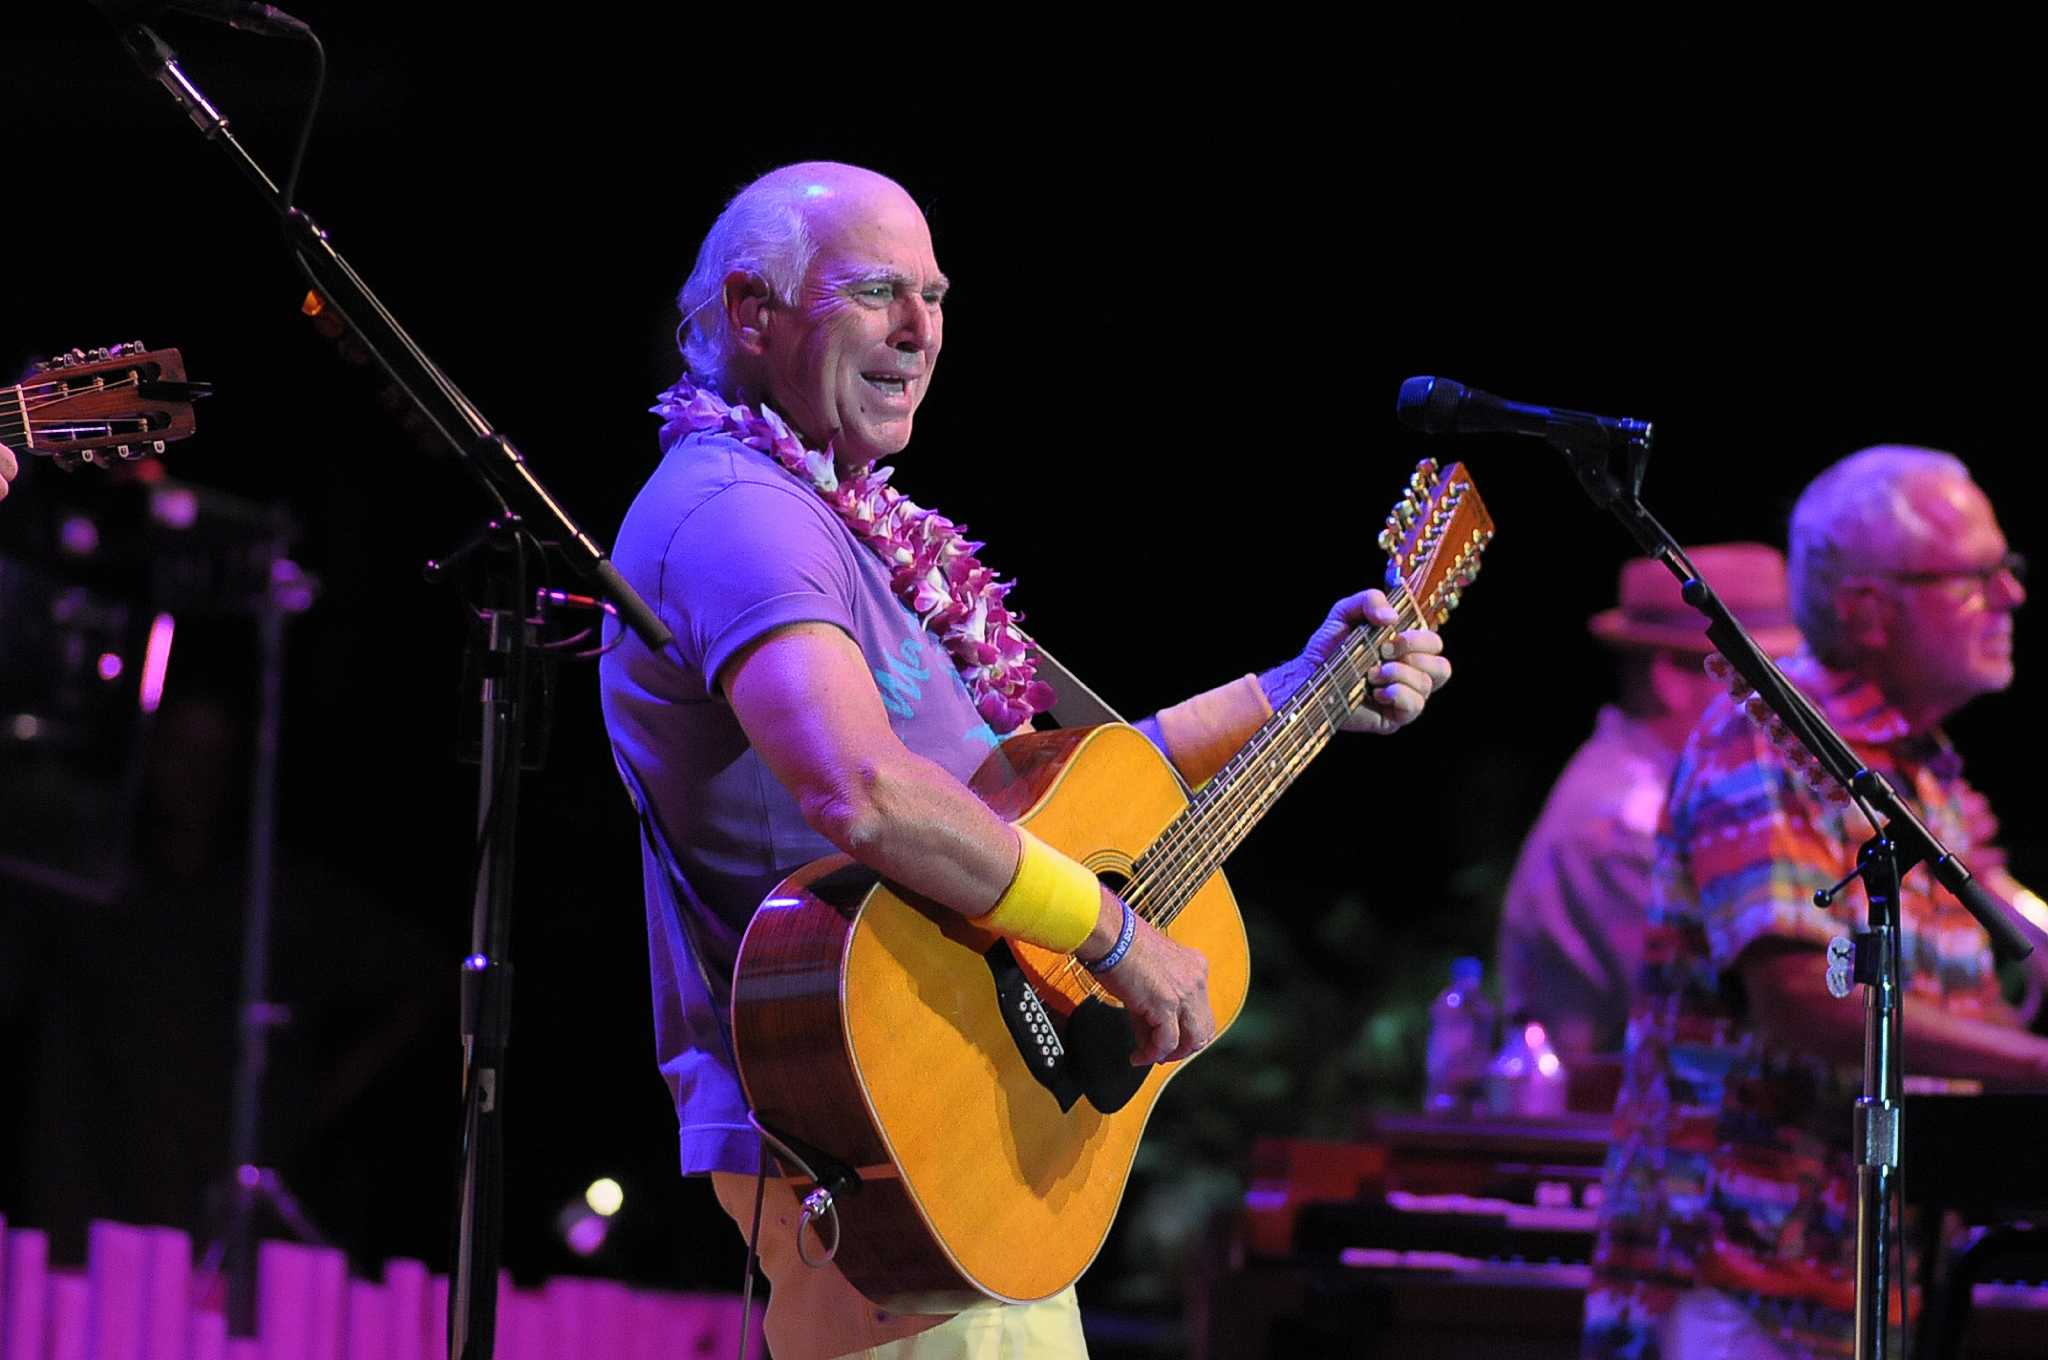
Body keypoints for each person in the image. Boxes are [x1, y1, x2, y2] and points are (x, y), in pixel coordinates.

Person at [598, 162, 1451, 1360]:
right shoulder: (737, 511)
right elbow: (865, 792)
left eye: (936, 296)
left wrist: (1295, 690)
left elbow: (1070, 795)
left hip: (968, 1111)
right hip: (868, 1117)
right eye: (877, 291)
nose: (920, 329)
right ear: (750, 311)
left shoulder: (851, 523)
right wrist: (1108, 934)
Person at [1583, 446, 2048, 1360]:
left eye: (2009, 569)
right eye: (1975, 577)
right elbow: (1802, 999)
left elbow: (1966, 996)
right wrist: (2037, 1066)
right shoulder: (1767, 739)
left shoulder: (1920, 773)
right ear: (1868, 610)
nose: (2011, 596)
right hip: (1734, 1286)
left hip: (1860, 1276)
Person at [1497, 544, 1801, 1060]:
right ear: (1672, 679)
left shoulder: (1661, 792)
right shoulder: (1623, 826)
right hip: (1608, 1112)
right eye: (1765, 677)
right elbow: (1733, 1018)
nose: (1790, 703)